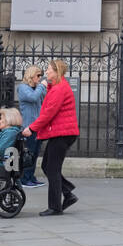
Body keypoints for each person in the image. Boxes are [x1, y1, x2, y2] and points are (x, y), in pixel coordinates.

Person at [22, 59, 80, 215]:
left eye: (48, 70)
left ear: (57, 72)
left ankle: (55, 207)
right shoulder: (55, 87)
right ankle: (67, 193)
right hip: (61, 133)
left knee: (52, 168)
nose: (46, 72)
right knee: (47, 165)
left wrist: (32, 128)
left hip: (63, 134)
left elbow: (48, 114)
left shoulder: (59, 89)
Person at [16, 65, 47, 187]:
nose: (40, 78)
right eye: (38, 75)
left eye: (41, 75)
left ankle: (31, 177)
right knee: (28, 153)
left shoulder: (36, 88)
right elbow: (33, 98)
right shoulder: (23, 88)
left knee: (35, 153)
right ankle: (24, 178)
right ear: (31, 75)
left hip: (37, 126)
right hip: (28, 127)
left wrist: (43, 88)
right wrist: (41, 86)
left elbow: (45, 98)